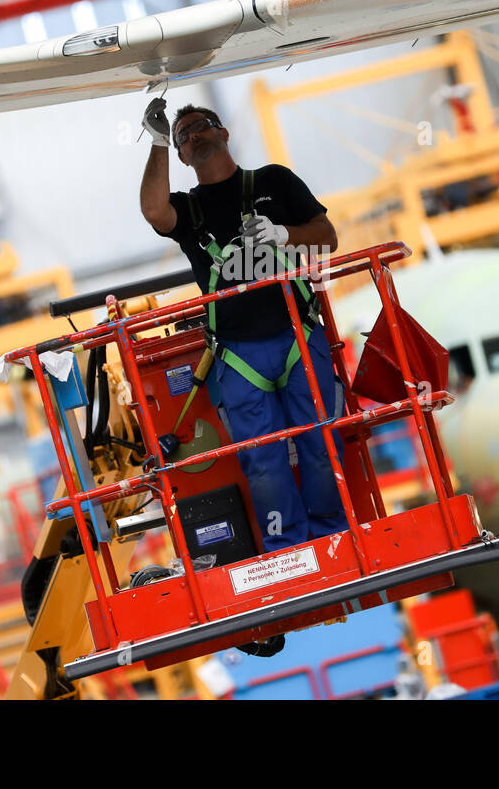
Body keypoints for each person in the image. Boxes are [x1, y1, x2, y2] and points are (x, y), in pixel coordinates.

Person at [138, 96, 351, 556]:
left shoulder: (273, 181)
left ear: (224, 131)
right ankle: (289, 549)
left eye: (201, 126)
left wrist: (282, 233)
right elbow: (155, 211)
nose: (194, 135)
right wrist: (157, 141)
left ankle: (333, 538)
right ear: (180, 155)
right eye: (183, 136)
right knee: (264, 461)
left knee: (319, 442)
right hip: (237, 355)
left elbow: (328, 237)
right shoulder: (189, 212)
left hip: (298, 336)